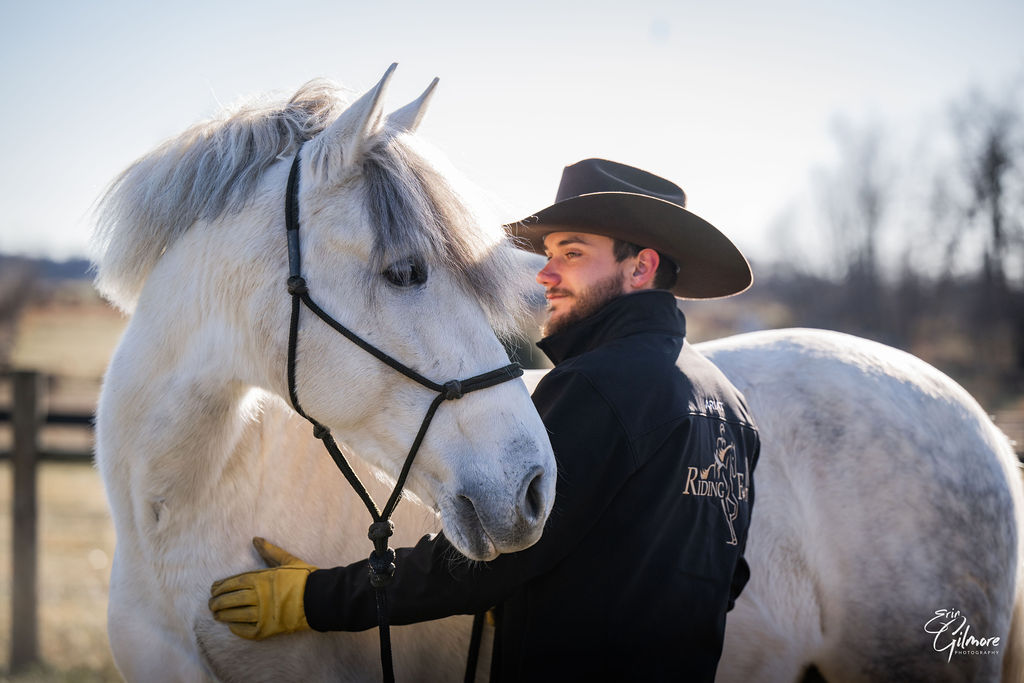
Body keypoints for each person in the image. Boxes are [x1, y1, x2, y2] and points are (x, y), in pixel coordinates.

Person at [209, 158, 761, 682]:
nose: (546, 275)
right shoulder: (730, 406)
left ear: (641, 266)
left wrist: (312, 599)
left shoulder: (599, 386)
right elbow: (725, 577)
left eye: (571, 253)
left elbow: (497, 558)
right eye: (549, 254)